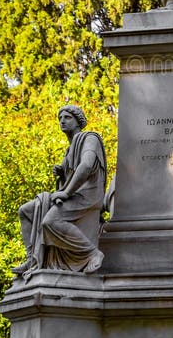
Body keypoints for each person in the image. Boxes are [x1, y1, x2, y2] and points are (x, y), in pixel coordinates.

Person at [12, 105, 106, 278]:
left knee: (50, 222)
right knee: (25, 211)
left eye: (67, 117)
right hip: (72, 196)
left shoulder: (90, 138)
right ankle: (32, 258)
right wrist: (62, 172)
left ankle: (92, 253)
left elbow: (86, 166)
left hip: (87, 195)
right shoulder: (69, 149)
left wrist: (66, 192)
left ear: (78, 121)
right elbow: (71, 172)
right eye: (60, 118)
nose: (62, 121)